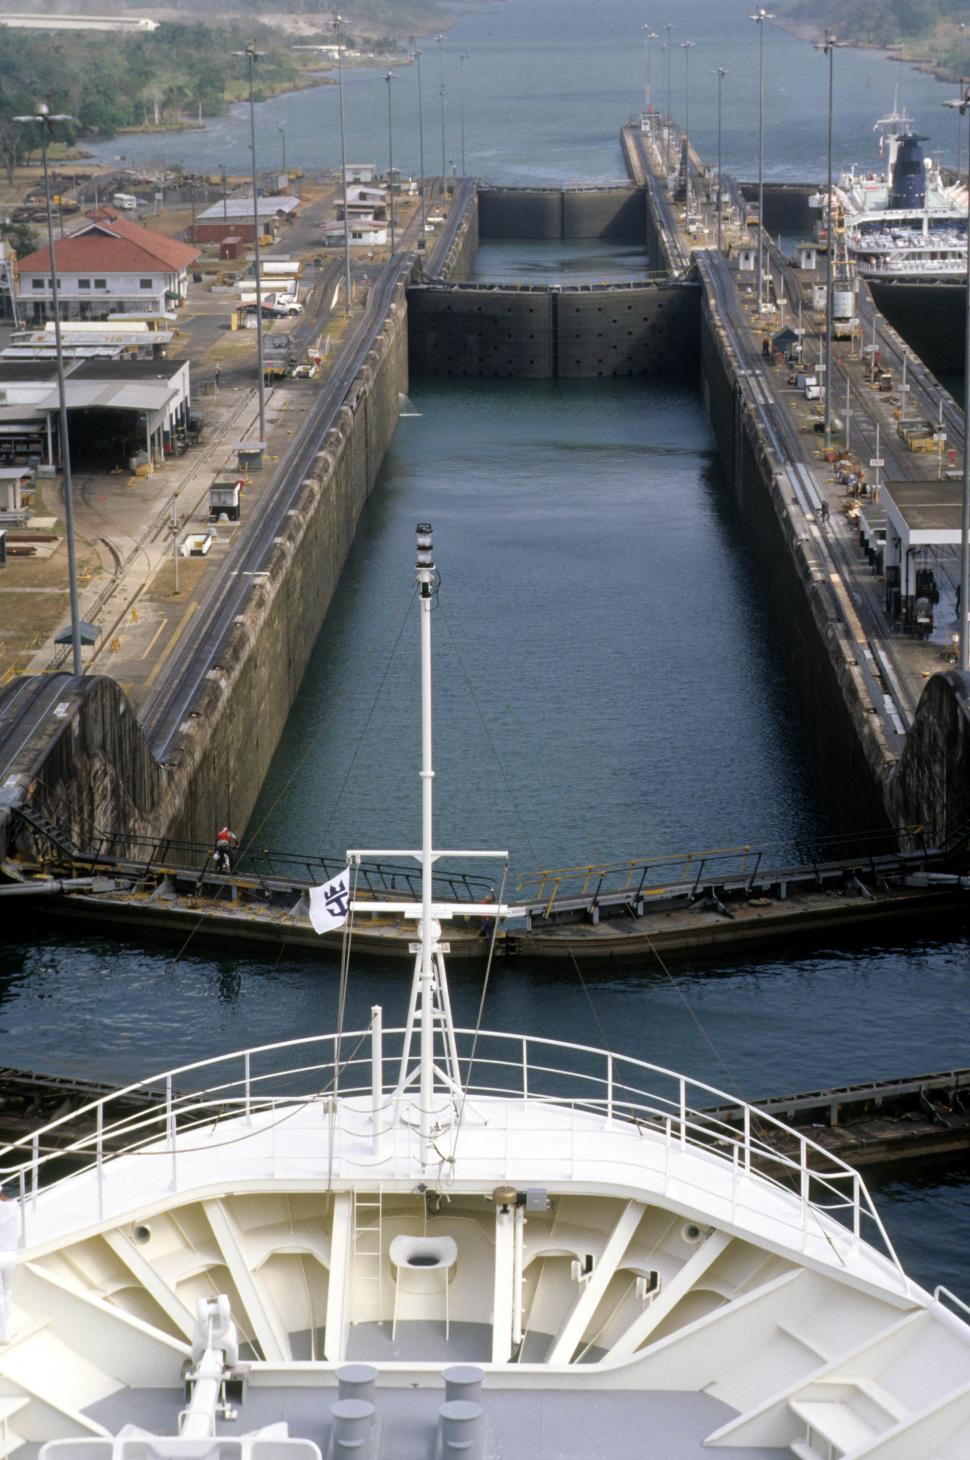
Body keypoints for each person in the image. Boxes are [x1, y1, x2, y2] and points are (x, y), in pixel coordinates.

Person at [0, 1185, 21, 1342]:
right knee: (7, 1291)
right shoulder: (15, 1207)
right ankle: (6, 1328)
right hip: (11, 1255)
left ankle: (2, 1334)